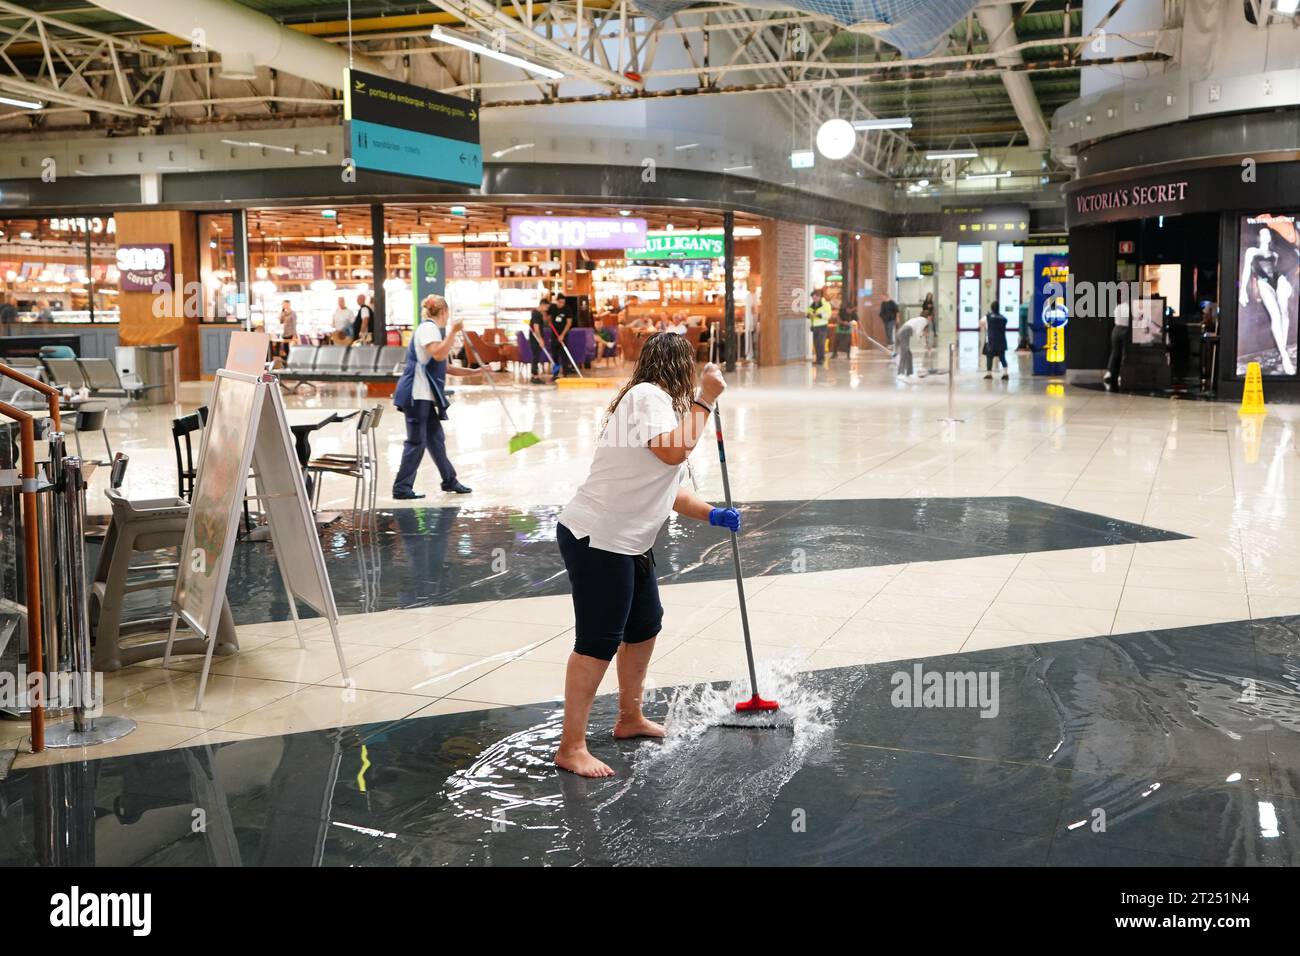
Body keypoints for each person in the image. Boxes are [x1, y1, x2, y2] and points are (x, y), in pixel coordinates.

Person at [553, 335, 739, 777]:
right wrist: (706, 398)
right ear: (679, 367)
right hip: (598, 538)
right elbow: (674, 451)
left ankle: (629, 717)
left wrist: (714, 514)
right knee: (597, 642)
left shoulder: (653, 406)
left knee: (643, 626)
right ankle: (571, 746)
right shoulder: (646, 396)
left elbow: (669, 488)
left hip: (629, 542)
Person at [392, 294, 473, 499]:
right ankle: (401, 488)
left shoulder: (431, 331)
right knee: (416, 441)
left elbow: (443, 366)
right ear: (444, 312)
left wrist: (477, 372)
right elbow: (438, 354)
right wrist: (453, 332)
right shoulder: (429, 328)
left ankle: (450, 480)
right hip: (416, 394)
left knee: (436, 440)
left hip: (424, 396)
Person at [1240, 225, 1296, 375]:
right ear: (1259, 237)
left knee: (1284, 314)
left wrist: (1284, 281)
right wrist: (1242, 291)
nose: (1265, 236)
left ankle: (1281, 349)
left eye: (1267, 234)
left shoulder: (1274, 254)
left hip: (1278, 280)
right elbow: (1247, 270)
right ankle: (1284, 356)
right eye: (1262, 234)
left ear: (1270, 237)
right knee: (1276, 315)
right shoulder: (1252, 251)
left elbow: (1275, 271)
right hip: (1263, 283)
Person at [1105, 285, 1131, 389]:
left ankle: (1109, 373)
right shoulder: (1129, 306)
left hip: (1115, 330)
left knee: (1115, 352)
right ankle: (1122, 374)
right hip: (1125, 330)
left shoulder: (1117, 305)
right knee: (1125, 353)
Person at [895, 313, 928, 381]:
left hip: (902, 331)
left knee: (909, 353)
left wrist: (922, 335)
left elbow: (918, 331)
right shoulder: (924, 320)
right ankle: (900, 373)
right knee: (904, 353)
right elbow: (918, 332)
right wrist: (922, 338)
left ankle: (909, 372)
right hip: (905, 332)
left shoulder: (918, 319)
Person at [980, 305, 1009, 380]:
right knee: (1002, 358)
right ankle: (1005, 374)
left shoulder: (987, 316)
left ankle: (989, 374)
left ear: (991, 308)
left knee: (989, 357)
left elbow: (981, 323)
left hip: (990, 341)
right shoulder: (1003, 318)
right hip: (1001, 341)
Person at [549, 293, 573, 380]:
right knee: (555, 356)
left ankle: (565, 373)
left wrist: (562, 335)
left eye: (563, 302)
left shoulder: (567, 309)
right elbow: (547, 316)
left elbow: (569, 323)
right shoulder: (553, 308)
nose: (562, 304)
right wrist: (548, 320)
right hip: (554, 335)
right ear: (557, 301)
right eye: (560, 302)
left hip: (563, 335)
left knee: (564, 355)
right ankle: (555, 374)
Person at [528, 292, 550, 385]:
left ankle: (534, 375)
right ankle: (535, 376)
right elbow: (536, 328)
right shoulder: (537, 314)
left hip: (535, 338)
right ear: (542, 305)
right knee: (535, 357)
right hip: (535, 339)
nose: (546, 309)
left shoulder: (536, 313)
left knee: (536, 357)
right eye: (546, 307)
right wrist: (540, 339)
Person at [807, 288, 831, 365]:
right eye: (812, 298)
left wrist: (818, 315)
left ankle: (821, 359)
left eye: (815, 297)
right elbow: (808, 314)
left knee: (821, 343)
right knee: (816, 343)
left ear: (819, 297)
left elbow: (828, 315)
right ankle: (818, 359)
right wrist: (809, 315)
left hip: (822, 326)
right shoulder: (812, 305)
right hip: (814, 327)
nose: (814, 299)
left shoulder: (825, 304)